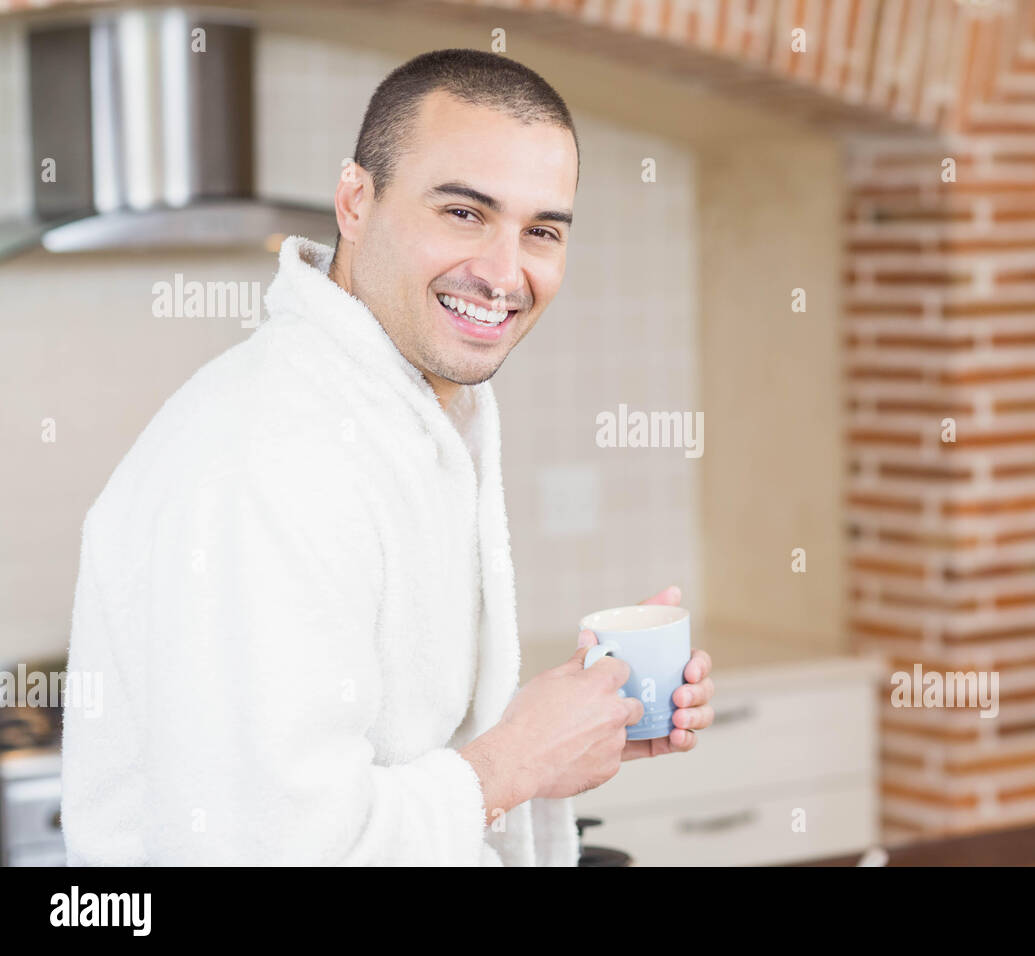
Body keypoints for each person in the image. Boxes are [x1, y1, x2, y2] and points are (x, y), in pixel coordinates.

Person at [62, 48, 714, 866]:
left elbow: (387, 755)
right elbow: (264, 850)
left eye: (541, 231)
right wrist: (511, 763)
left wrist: (558, 737)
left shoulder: (411, 416)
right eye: (464, 213)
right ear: (355, 201)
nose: (504, 274)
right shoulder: (268, 455)